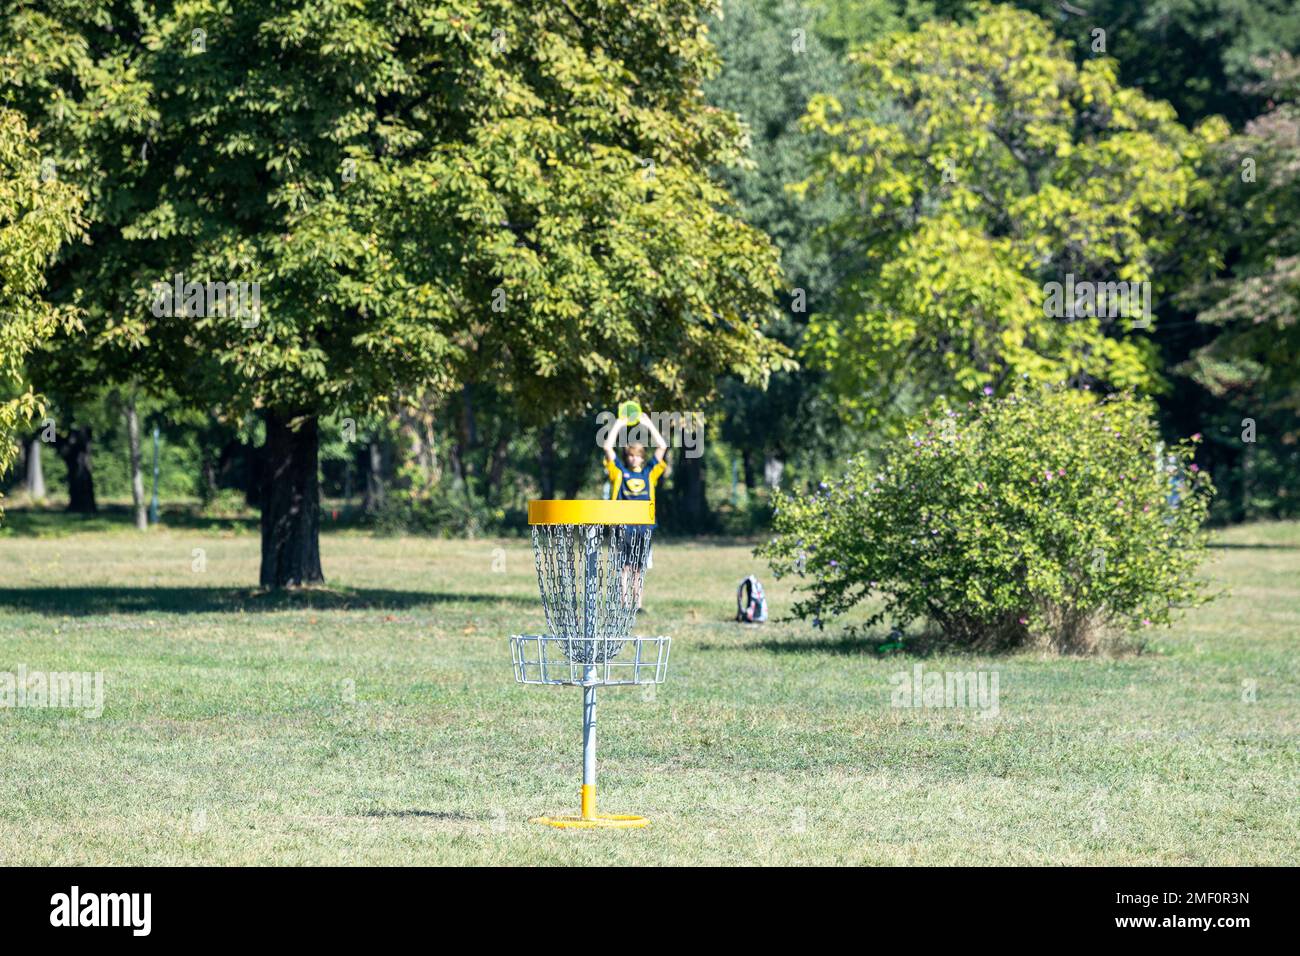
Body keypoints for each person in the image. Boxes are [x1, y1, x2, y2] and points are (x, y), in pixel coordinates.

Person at [602, 413, 668, 611]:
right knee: (624, 566)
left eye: (638, 455)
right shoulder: (620, 471)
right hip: (624, 525)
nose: (634, 458)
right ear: (627, 456)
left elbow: (662, 447)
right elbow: (607, 447)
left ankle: (638, 604)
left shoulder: (649, 472)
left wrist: (648, 424)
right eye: (631, 455)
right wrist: (619, 424)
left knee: (639, 567)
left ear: (642, 456)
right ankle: (624, 603)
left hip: (643, 526)